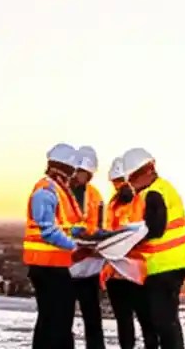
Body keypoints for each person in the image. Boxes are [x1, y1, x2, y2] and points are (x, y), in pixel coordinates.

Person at [120, 147, 185, 349]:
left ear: (145, 172)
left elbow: (155, 228)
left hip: (165, 265)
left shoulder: (153, 193)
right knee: (167, 319)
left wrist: (126, 239)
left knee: (163, 320)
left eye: (132, 178)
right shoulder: (163, 187)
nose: (131, 184)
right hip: (174, 262)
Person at [25, 142, 92, 349]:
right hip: (46, 267)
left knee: (55, 320)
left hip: (55, 266)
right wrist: (75, 247)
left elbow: (61, 225)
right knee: (56, 321)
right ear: (65, 168)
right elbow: (48, 231)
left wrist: (81, 234)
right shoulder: (45, 192)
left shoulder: (57, 190)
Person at [102, 156, 154, 349]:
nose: (117, 187)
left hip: (137, 271)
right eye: (115, 183)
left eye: (120, 182)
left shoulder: (141, 199)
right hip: (117, 272)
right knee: (124, 322)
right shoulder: (113, 204)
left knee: (146, 320)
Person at [70, 146, 105, 349]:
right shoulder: (61, 193)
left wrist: (97, 239)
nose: (82, 177)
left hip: (90, 265)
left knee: (93, 318)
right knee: (63, 318)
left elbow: (100, 225)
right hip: (67, 264)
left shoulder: (94, 195)